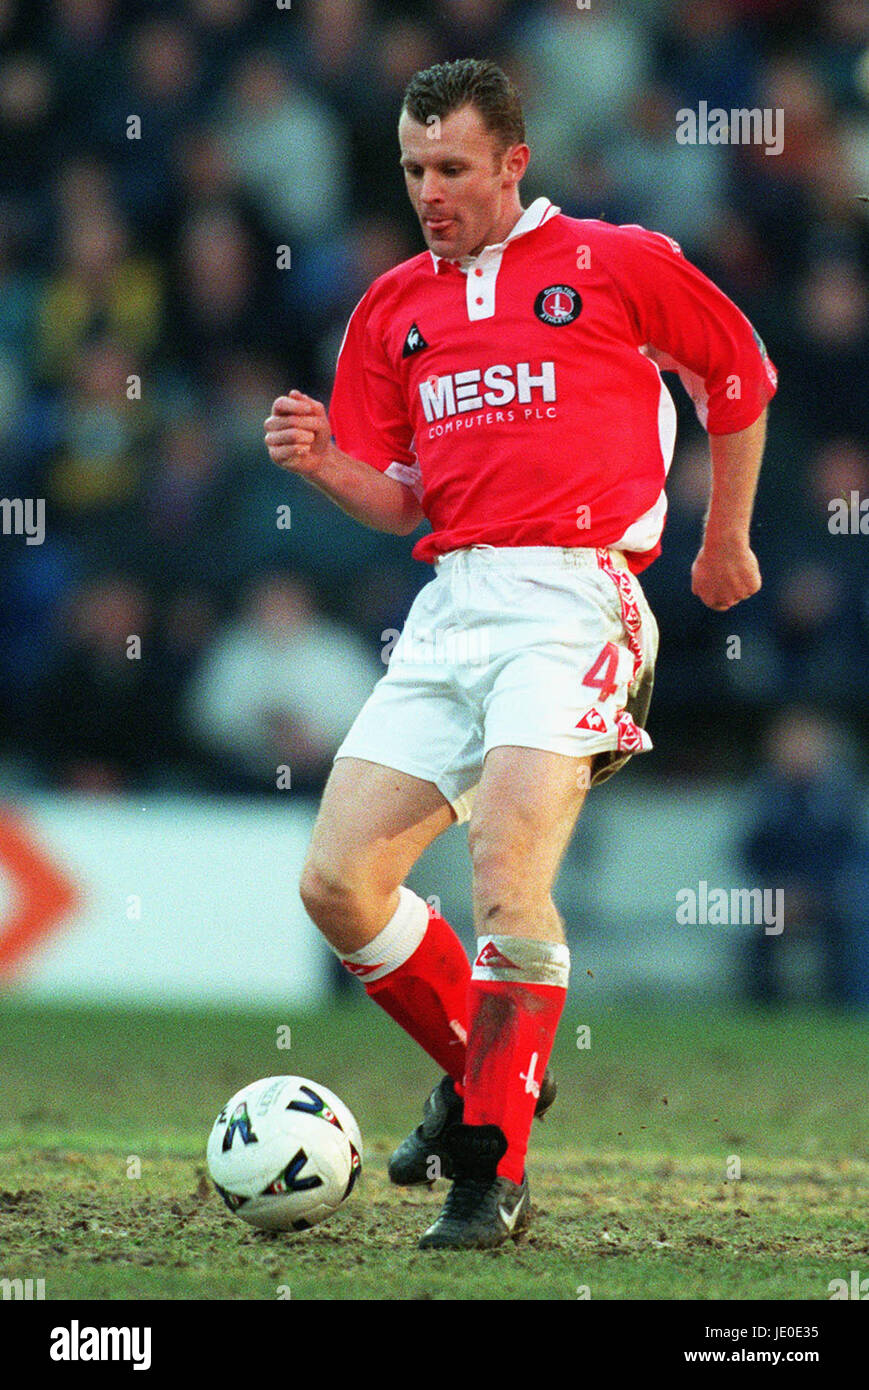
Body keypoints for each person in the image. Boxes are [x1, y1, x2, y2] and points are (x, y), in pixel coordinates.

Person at [263, 58, 776, 1250]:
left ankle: (487, 1168)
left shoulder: (612, 260)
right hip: (451, 605)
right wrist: (317, 461)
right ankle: (487, 1072)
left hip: (573, 598)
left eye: (450, 167)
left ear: (512, 162)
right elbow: (398, 499)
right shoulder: (392, 306)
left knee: (503, 868)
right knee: (337, 884)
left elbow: (738, 373)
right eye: (410, 169)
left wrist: (724, 540)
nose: (428, 191)